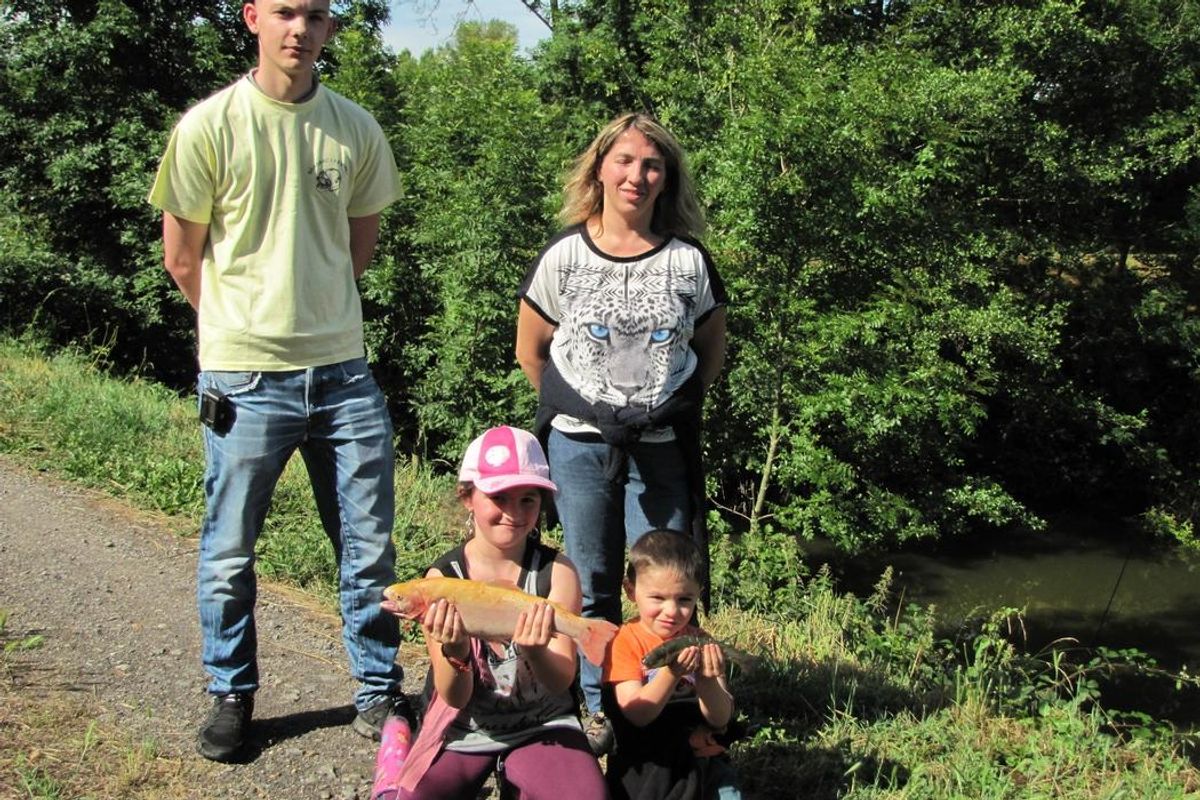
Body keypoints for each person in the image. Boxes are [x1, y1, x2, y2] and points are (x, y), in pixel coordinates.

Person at [147, 0, 411, 762]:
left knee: (368, 545)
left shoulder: (355, 129)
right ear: (252, 17)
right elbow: (182, 257)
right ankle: (231, 694)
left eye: (317, 15)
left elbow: (358, 248)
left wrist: (316, 316)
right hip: (244, 376)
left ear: (331, 29)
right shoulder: (209, 126)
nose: (301, 29)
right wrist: (240, 330)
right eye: (286, 12)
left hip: (343, 372)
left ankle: (377, 689)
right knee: (230, 548)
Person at [515, 111, 728, 752]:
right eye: (625, 161)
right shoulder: (564, 257)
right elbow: (532, 351)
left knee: (664, 580)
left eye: (652, 164)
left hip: (661, 448)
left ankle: (668, 698)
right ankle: (597, 703)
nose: (637, 175)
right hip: (580, 446)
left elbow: (711, 350)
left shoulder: (689, 263)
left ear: (667, 178)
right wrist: (588, 410)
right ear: (600, 169)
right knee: (590, 578)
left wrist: (669, 407)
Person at [372, 426, 607, 800]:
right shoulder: (441, 580)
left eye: (527, 500)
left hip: (544, 724)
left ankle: (518, 777)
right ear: (467, 497)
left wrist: (534, 650)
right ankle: (396, 758)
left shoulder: (557, 572)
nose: (513, 513)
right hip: (463, 726)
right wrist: (457, 652)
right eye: (498, 497)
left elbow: (561, 680)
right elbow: (454, 697)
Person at [602, 530, 742, 800]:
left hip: (699, 759)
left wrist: (707, 680)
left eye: (684, 600)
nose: (671, 611)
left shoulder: (702, 640)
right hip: (647, 762)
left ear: (698, 595)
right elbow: (637, 714)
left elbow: (720, 717)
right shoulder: (623, 641)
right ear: (630, 590)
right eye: (658, 598)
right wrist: (671, 673)